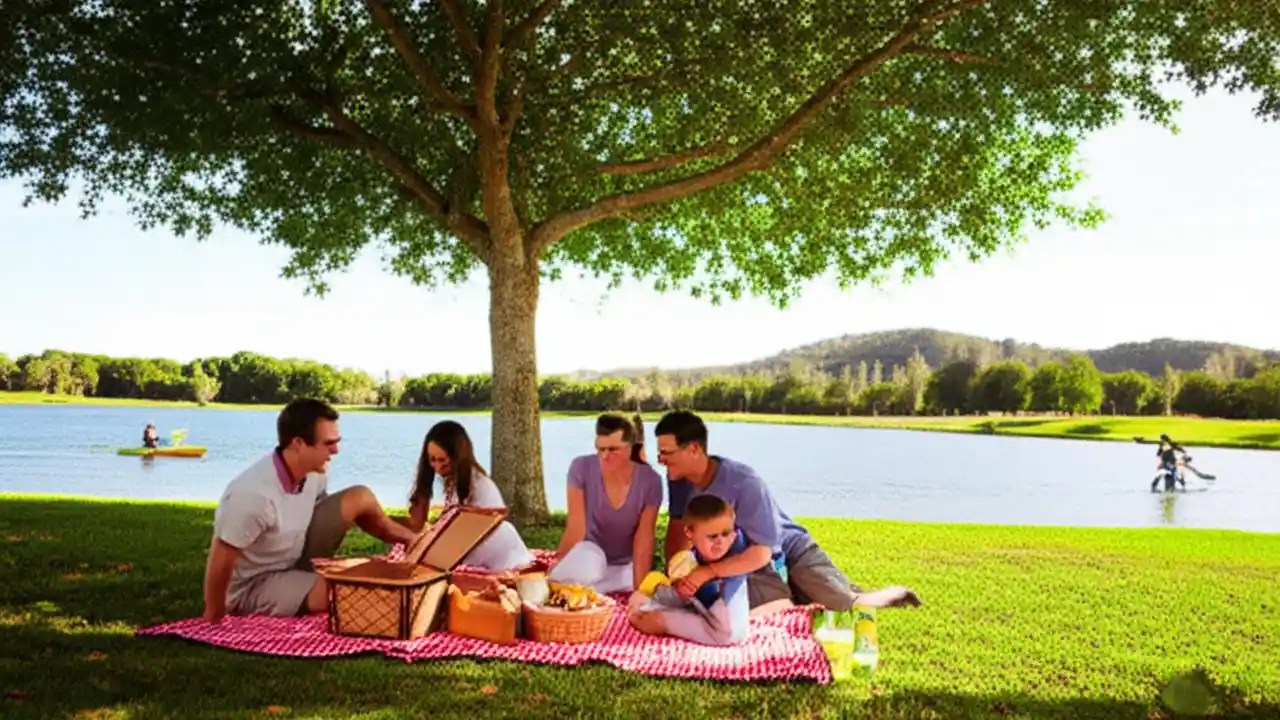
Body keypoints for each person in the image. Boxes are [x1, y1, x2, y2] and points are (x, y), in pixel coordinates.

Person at [657, 410, 921, 614]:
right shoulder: (679, 479)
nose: (661, 460)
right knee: (764, 612)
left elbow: (761, 552)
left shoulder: (744, 482)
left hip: (783, 550)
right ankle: (798, 593)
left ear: (694, 449)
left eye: (666, 452)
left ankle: (875, 594)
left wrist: (708, 572)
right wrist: (678, 574)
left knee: (841, 604)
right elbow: (678, 531)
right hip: (744, 563)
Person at [202, 398, 419, 623]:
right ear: (298, 444)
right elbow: (222, 554)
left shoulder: (314, 471)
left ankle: (413, 540)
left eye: (337, 441)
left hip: (295, 553)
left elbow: (325, 511)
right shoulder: (252, 495)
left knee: (359, 496)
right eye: (328, 443)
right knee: (347, 592)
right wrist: (214, 615)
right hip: (256, 583)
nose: (336, 450)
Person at [550, 413, 664, 594]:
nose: (605, 456)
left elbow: (644, 540)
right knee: (591, 563)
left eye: (613, 449)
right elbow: (575, 529)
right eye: (600, 449)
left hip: (622, 567)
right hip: (589, 554)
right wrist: (556, 565)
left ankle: (581, 590)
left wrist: (640, 592)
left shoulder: (651, 481)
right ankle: (567, 586)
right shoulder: (581, 468)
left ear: (630, 448)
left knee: (628, 579)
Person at [406, 420, 533, 571]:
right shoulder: (454, 479)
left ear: (457, 456)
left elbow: (465, 533)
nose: (437, 467)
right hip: (469, 542)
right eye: (432, 460)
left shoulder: (475, 482)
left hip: (490, 543)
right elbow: (417, 524)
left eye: (443, 461)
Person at [628, 494, 750, 646]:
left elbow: (728, 633)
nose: (721, 542)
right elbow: (681, 598)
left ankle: (662, 620)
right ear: (689, 534)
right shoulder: (687, 562)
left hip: (723, 626)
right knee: (645, 608)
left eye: (726, 534)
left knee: (727, 635)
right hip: (699, 610)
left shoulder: (738, 553)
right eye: (712, 536)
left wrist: (666, 622)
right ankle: (650, 599)